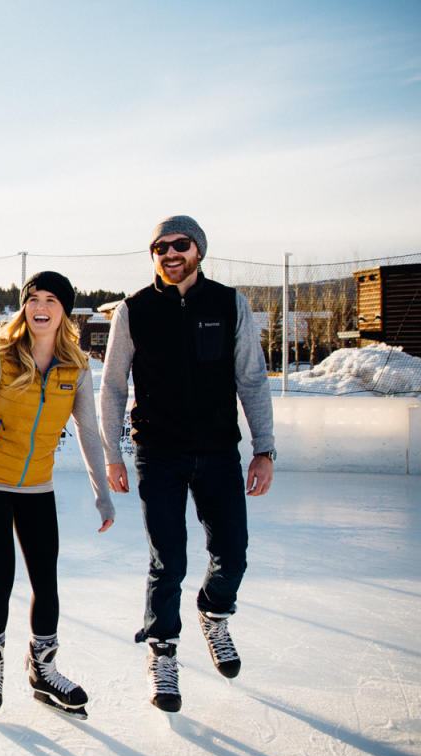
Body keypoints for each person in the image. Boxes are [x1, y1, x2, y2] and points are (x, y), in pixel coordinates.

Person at [100, 214, 275, 713]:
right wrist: (112, 453)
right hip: (158, 451)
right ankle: (163, 654)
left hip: (219, 450)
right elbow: (113, 387)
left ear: (198, 249)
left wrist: (263, 448)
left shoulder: (228, 303)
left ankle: (214, 612)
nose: (170, 254)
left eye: (180, 245)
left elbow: (252, 379)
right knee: (168, 560)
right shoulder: (132, 311)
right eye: (160, 247)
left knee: (233, 552)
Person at [0, 271, 114, 720]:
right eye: (33, 298)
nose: (40, 306)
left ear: (65, 311)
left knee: (47, 582)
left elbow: (89, 432)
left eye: (51, 300)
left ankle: (42, 667)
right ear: (24, 307)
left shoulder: (76, 366)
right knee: (2, 579)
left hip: (37, 484)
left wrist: (103, 494)